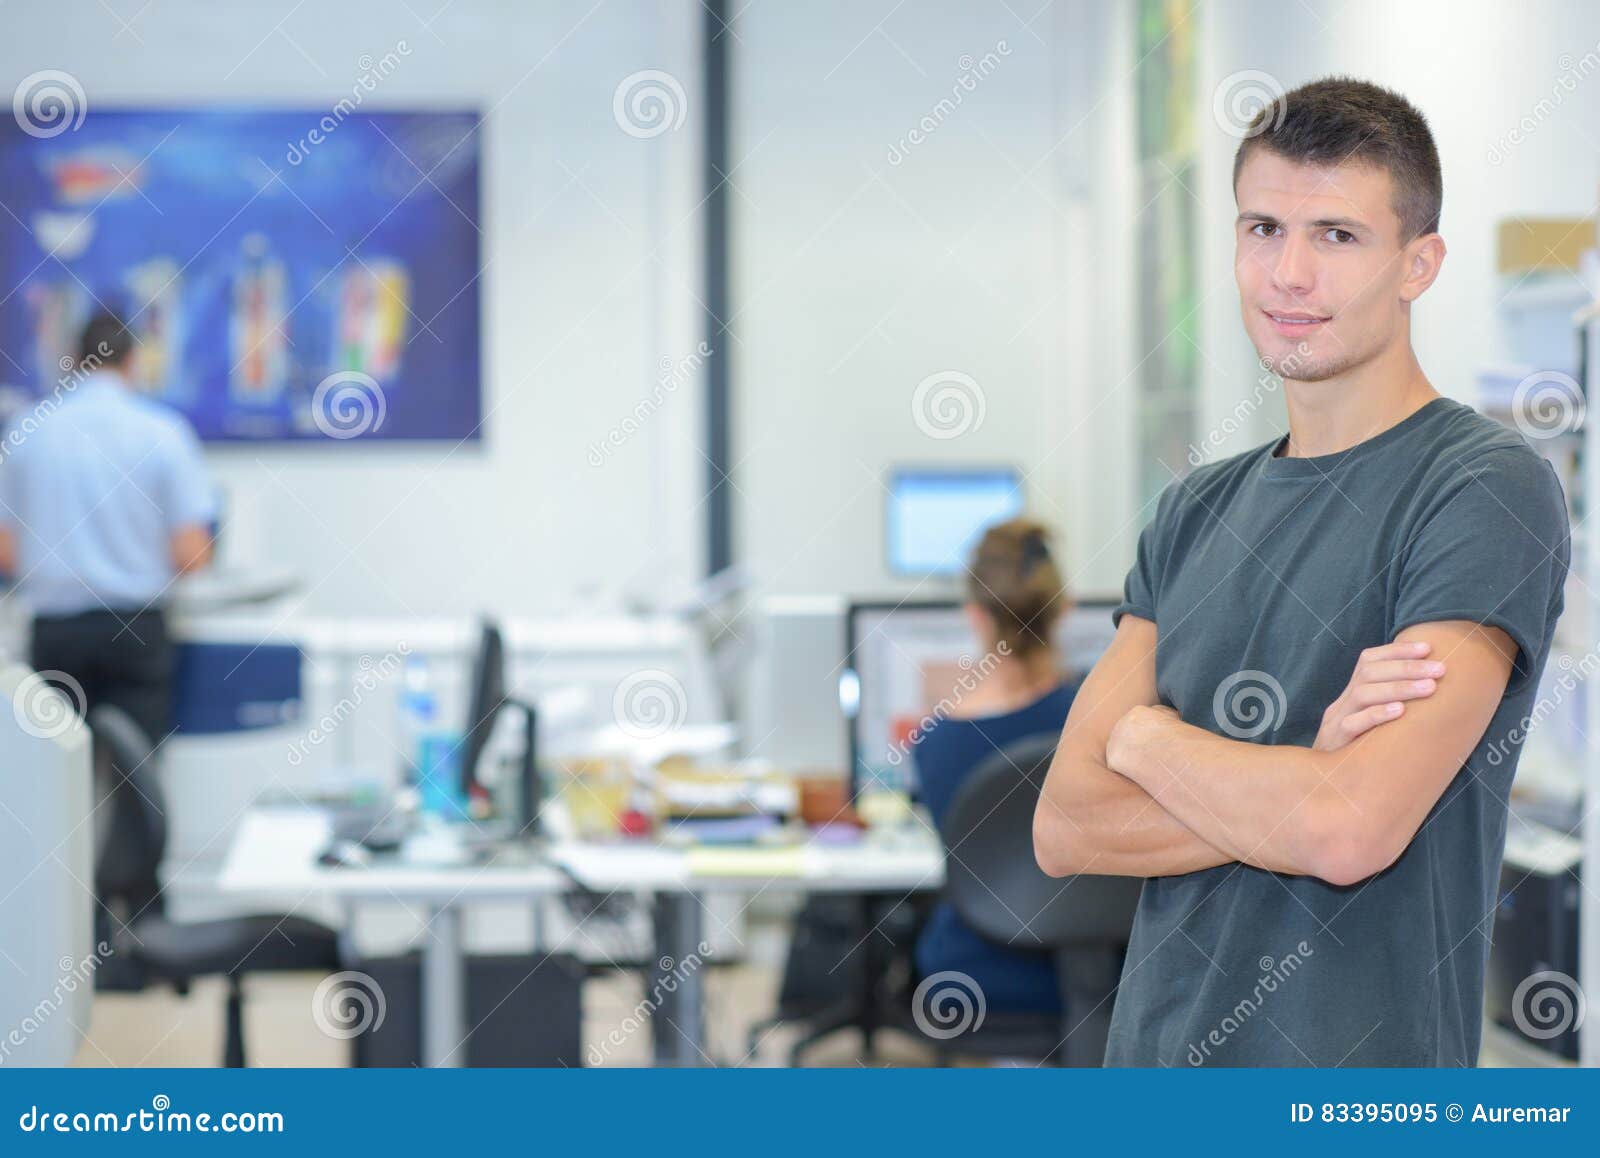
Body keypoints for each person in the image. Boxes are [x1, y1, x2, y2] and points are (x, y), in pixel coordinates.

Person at [1033, 76, 1571, 1068]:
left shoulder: (1482, 489)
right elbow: (1066, 825)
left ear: (1418, 264)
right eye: (1261, 228)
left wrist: (1149, 741)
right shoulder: (1194, 511)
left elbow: (1345, 832)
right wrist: (1307, 770)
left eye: (1335, 236)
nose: (1286, 275)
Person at [0, 310, 216, 744]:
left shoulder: (29, 429)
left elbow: (6, 552)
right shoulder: (164, 431)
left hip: (56, 632)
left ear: (74, 359)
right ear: (134, 361)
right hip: (136, 629)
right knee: (133, 776)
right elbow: (191, 555)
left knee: (56, 776)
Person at [911, 518, 1080, 1013]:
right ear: (1062, 612)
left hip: (975, 972)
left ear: (975, 616)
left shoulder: (935, 744)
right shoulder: (1097, 723)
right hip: (1088, 967)